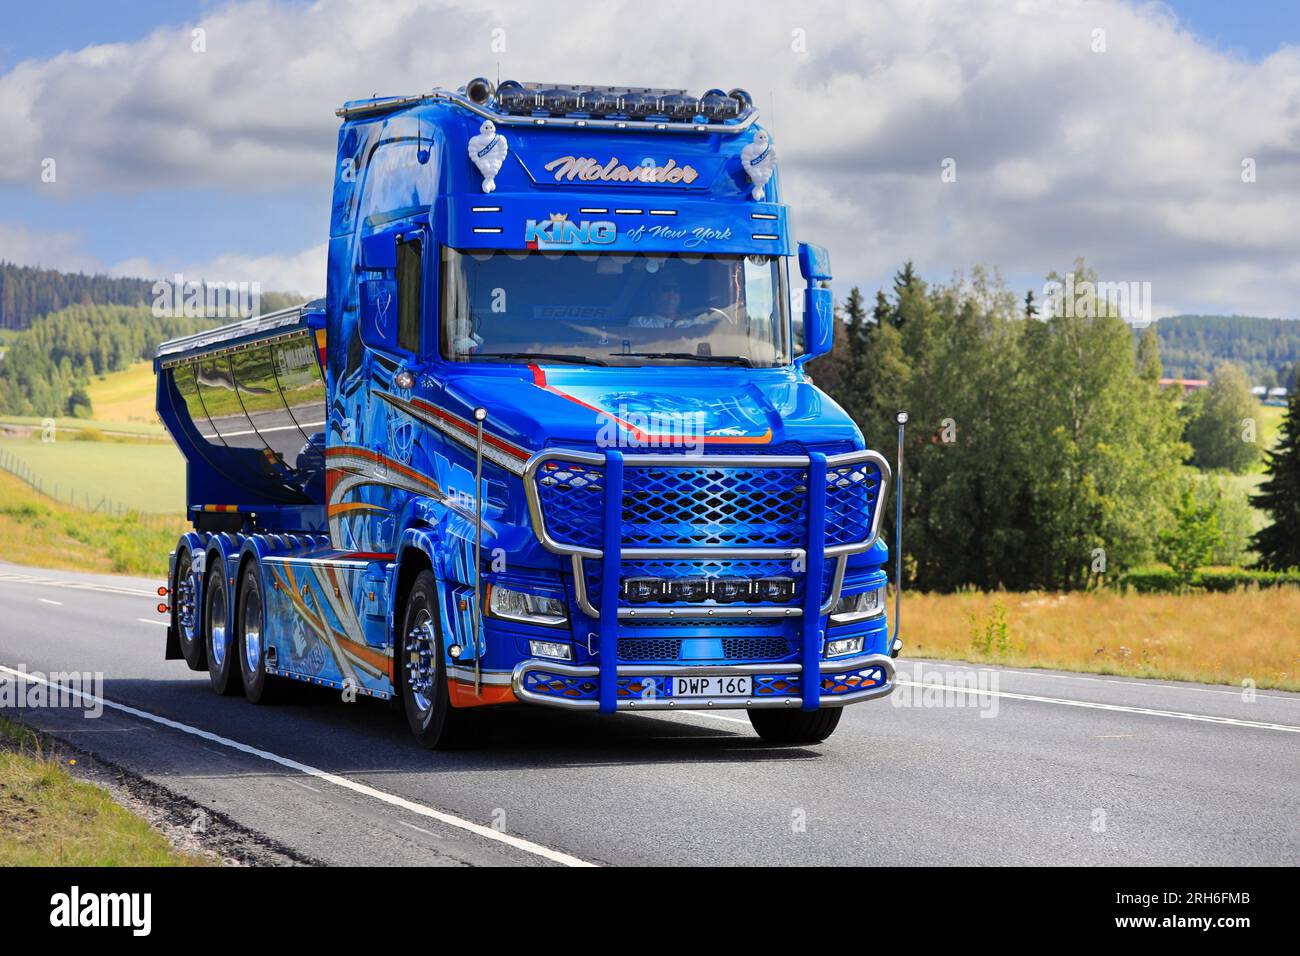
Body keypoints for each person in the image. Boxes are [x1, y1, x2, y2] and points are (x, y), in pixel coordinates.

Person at [629, 276, 705, 328]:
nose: (672, 293)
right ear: (654, 295)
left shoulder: (694, 323)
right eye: (666, 289)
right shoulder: (640, 323)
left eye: (676, 289)